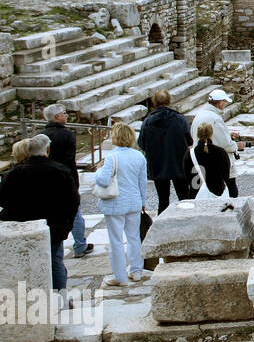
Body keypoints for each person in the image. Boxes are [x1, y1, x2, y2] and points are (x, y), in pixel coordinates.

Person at [0, 134, 79, 297]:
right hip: (54, 227)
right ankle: (61, 299)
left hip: (23, 227)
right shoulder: (60, 171)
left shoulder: (14, 174)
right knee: (55, 262)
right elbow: (72, 201)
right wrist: (66, 226)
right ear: (48, 149)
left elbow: (3, 199)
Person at [94, 122, 149, 286]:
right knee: (134, 238)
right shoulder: (139, 156)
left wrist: (98, 169)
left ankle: (120, 276)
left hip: (115, 202)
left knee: (116, 240)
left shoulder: (111, 157)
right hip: (134, 201)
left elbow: (103, 181)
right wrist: (143, 201)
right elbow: (143, 182)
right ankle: (137, 270)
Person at [41, 103, 92, 258]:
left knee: (52, 214)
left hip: (48, 180)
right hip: (66, 179)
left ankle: (53, 245)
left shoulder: (42, 135)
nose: (66, 115)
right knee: (75, 213)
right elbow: (69, 160)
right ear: (57, 117)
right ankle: (80, 245)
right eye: (64, 113)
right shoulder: (67, 135)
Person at [138, 89, 196, 212]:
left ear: (154, 102)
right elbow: (189, 141)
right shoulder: (179, 119)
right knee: (184, 197)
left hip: (158, 165)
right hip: (179, 163)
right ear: (169, 101)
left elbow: (141, 144)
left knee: (163, 199)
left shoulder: (148, 122)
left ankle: (162, 226)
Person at [191, 89, 242, 198]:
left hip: (200, 158)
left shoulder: (200, 115)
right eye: (224, 102)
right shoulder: (215, 118)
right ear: (220, 103)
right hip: (215, 159)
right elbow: (226, 144)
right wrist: (235, 145)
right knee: (230, 188)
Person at [194, 122, 233, 199]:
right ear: (212, 134)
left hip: (196, 192)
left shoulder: (191, 153)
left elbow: (187, 175)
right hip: (218, 191)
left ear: (198, 135)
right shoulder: (221, 152)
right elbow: (226, 175)